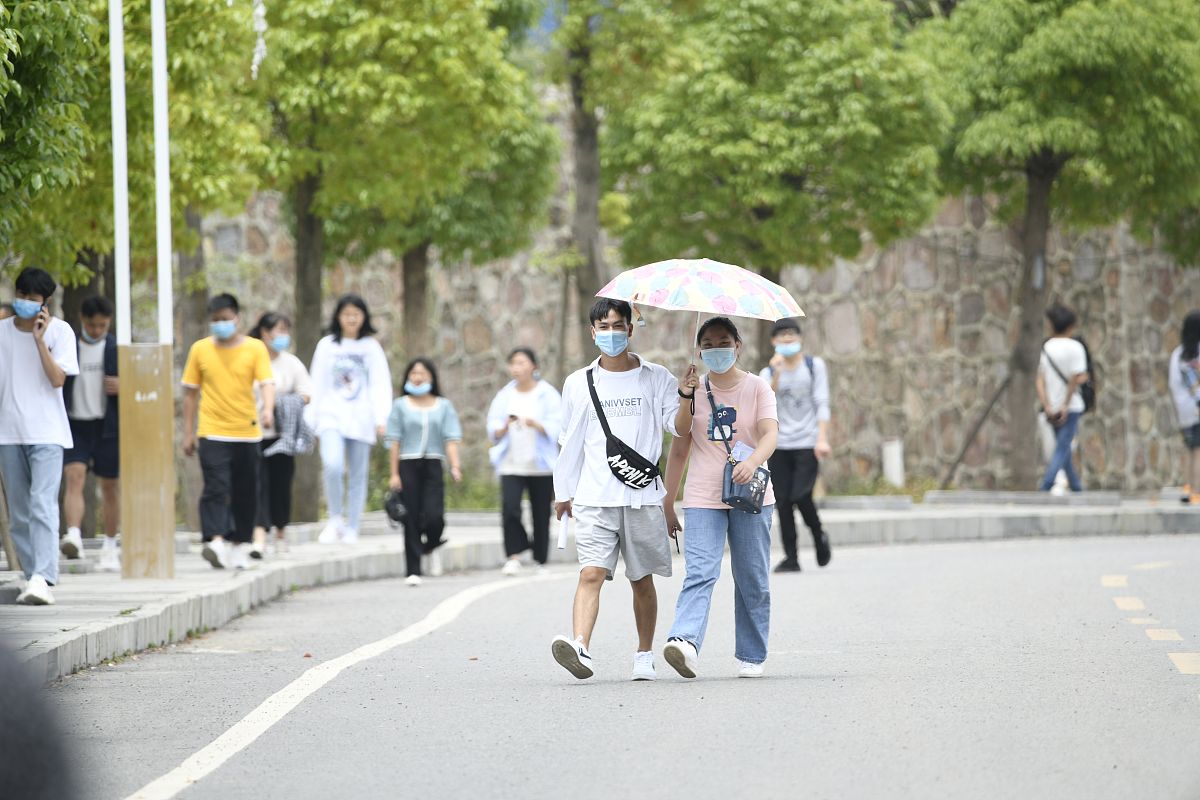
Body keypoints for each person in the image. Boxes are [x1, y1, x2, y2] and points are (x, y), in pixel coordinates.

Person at [550, 299, 689, 682]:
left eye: (617, 326)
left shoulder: (655, 376)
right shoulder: (578, 382)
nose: (611, 333)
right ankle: (580, 646)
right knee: (590, 573)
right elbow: (571, 441)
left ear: (631, 329)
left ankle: (644, 654)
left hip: (642, 496)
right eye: (603, 327)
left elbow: (678, 428)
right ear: (592, 332)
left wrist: (687, 396)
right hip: (595, 498)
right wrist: (564, 491)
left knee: (641, 579)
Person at [663, 316, 778, 680]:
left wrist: (754, 461)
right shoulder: (692, 390)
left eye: (724, 342)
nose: (716, 349)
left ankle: (752, 654)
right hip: (702, 495)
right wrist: (668, 500)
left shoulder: (758, 387)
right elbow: (679, 444)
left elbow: (770, 434)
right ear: (699, 350)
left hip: (751, 492)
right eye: (708, 344)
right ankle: (684, 642)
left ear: (738, 346)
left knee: (752, 577)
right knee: (699, 572)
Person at [0, 268, 79, 605]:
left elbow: (58, 379)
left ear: (45, 304)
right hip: (9, 434)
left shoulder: (59, 332)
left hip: (47, 432)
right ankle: (33, 576)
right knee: (19, 511)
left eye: (34, 300)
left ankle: (43, 576)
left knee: (42, 504)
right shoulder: (1, 333)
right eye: (23, 296)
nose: (26, 304)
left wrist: (38, 341)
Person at [181, 293, 275, 570]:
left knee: (246, 492)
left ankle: (238, 544)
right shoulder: (200, 349)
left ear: (238, 318)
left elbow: (267, 383)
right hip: (212, 430)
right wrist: (188, 433)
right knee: (216, 486)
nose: (221, 324)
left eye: (225, 319)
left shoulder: (255, 349)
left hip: (247, 432)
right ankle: (216, 540)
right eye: (215, 320)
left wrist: (268, 409)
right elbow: (190, 394)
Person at [308, 295, 393, 544]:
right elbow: (318, 380)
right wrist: (312, 416)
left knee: (358, 473)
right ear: (338, 316)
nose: (352, 318)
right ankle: (335, 518)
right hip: (331, 415)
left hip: (361, 417)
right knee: (332, 465)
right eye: (347, 313)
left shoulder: (371, 347)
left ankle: (353, 525)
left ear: (364, 317)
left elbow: (380, 384)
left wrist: (381, 417)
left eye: (357, 313)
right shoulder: (327, 346)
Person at [760, 318, 832, 573]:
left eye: (792, 334)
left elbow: (822, 402)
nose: (787, 338)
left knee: (801, 495)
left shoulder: (814, 366)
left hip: (807, 442)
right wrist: (776, 372)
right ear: (773, 342)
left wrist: (822, 438)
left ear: (800, 338)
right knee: (782, 502)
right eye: (782, 335)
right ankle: (792, 557)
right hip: (778, 445)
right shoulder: (767, 373)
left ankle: (818, 534)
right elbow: (764, 402)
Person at [386, 358, 463, 586]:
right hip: (407, 463)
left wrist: (455, 466)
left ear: (431, 377)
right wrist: (394, 474)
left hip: (433, 463)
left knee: (434, 515)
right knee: (410, 516)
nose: (417, 377)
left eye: (422, 373)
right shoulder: (400, 405)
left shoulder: (443, 405)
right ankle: (413, 569)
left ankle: (430, 544)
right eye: (413, 373)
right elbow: (394, 441)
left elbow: (451, 439)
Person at [487, 347, 562, 576]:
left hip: (540, 465)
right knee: (510, 508)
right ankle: (513, 555)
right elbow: (493, 424)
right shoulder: (505, 394)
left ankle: (540, 559)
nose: (516, 368)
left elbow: (558, 424)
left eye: (521, 363)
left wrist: (535, 423)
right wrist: (501, 428)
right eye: (513, 363)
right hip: (511, 462)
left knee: (541, 513)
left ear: (533, 366)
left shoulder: (547, 394)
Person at [61, 295, 121, 572]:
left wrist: (123, 385)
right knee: (74, 476)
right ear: (82, 321)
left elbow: (135, 385)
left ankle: (110, 544)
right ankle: (73, 534)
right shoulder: (68, 346)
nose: (97, 330)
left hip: (107, 425)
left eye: (103, 325)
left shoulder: (115, 348)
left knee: (110, 486)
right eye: (92, 325)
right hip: (76, 423)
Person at [250, 312, 313, 558]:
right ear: (264, 333)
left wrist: (285, 404)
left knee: (280, 485)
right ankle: (259, 535)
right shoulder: (251, 359)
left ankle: (280, 532)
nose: (282, 336)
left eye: (286, 331)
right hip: (253, 431)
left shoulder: (291, 363)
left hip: (282, 435)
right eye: (278, 331)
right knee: (257, 485)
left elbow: (307, 393)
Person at [1036, 303, 1088, 493]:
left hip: (1052, 406)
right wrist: (1066, 404)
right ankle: (1047, 484)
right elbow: (1077, 378)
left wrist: (1047, 405)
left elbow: (1040, 380)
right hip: (1071, 406)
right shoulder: (1076, 347)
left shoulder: (1047, 347)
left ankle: (1075, 486)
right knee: (1062, 448)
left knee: (1063, 446)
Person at [1169, 311, 1200, 504]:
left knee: (1190, 450)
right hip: (1197, 409)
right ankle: (1197, 490)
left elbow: (1173, 383)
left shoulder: (1177, 354)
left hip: (1184, 411)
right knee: (1198, 451)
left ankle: (1187, 488)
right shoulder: (1197, 353)